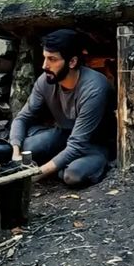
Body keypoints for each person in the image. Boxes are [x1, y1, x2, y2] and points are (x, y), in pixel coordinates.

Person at [9, 29, 114, 186]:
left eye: (52, 59)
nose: (45, 66)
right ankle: (56, 164)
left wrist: (34, 175)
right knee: (26, 147)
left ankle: (83, 166)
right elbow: (22, 118)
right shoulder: (45, 80)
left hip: (92, 144)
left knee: (72, 176)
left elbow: (78, 144)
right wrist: (15, 153)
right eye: (45, 58)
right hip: (64, 135)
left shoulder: (94, 88)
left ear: (72, 62)